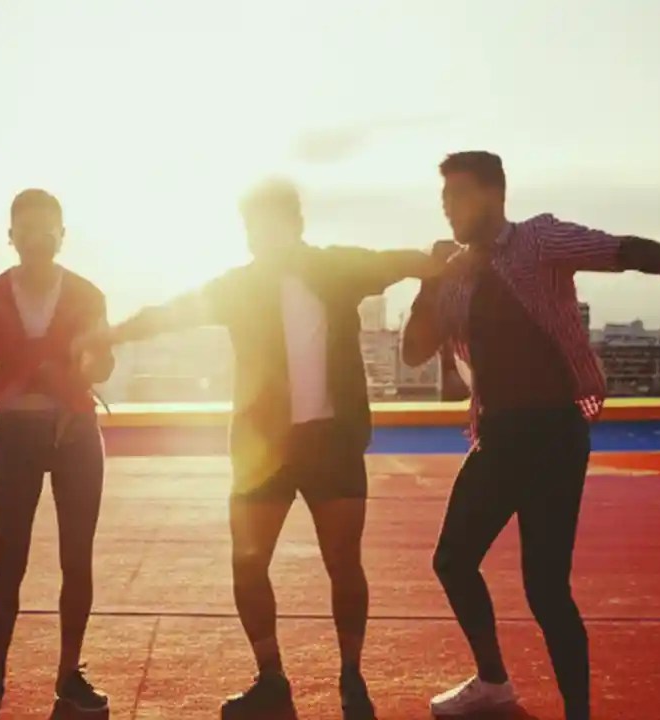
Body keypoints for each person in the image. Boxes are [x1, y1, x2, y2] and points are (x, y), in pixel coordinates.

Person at [73, 178, 439, 720]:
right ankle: (271, 681)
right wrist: (110, 335)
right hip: (261, 448)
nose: (255, 238)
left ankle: (352, 677)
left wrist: (444, 258)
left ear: (294, 224)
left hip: (331, 443)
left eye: (264, 226)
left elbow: (401, 260)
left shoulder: (338, 267)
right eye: (249, 229)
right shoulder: (237, 286)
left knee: (344, 564)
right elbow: (170, 312)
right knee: (248, 565)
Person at [401, 151, 660, 720]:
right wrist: (429, 279)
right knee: (452, 560)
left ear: (494, 196)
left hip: (552, 434)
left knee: (546, 589)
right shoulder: (456, 274)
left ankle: (578, 713)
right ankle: (494, 683)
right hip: (497, 438)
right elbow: (414, 350)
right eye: (444, 199)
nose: (449, 209)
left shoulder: (539, 241)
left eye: (459, 196)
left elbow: (617, 249)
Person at [0, 189, 115, 719]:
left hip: (78, 437)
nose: (37, 239)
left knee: (77, 559)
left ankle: (70, 675)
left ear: (62, 235)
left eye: (47, 230)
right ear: (11, 236)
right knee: (9, 560)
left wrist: (55, 381)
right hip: (17, 436)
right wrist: (44, 370)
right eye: (26, 230)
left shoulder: (88, 293)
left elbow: (104, 366)